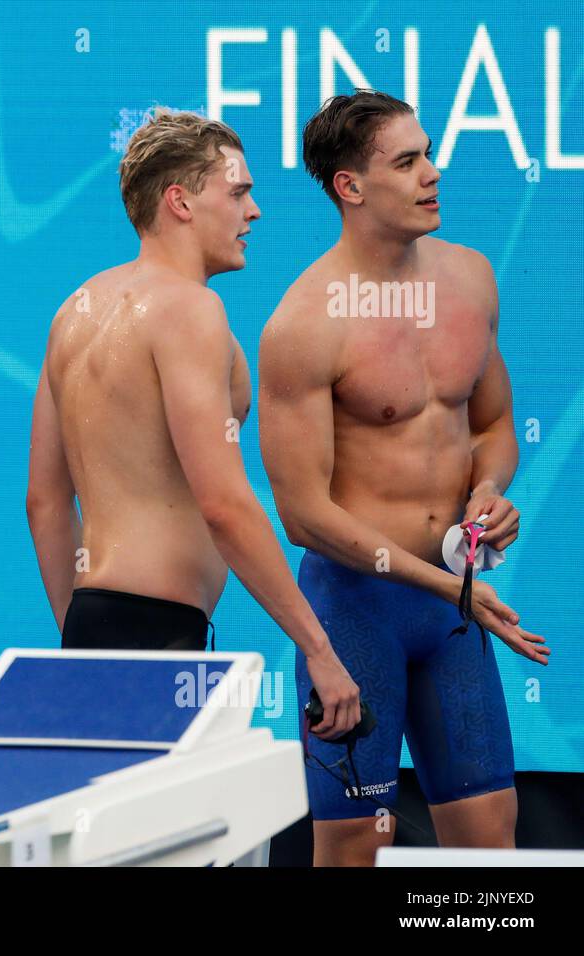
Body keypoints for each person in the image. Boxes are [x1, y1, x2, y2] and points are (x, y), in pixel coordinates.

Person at [259, 89, 549, 866]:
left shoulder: (471, 279)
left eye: (429, 152)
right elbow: (303, 516)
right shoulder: (304, 323)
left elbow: (492, 427)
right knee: (354, 847)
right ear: (350, 187)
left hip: (454, 613)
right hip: (358, 613)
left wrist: (490, 490)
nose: (434, 171)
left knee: (490, 843)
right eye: (408, 161)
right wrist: (436, 578)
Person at [26, 107, 360, 740]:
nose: (253, 211)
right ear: (180, 201)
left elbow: (44, 501)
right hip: (159, 637)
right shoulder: (191, 311)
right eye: (237, 193)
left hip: (96, 623)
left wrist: (81, 634)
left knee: (114, 836)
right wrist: (318, 647)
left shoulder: (74, 310)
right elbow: (225, 506)